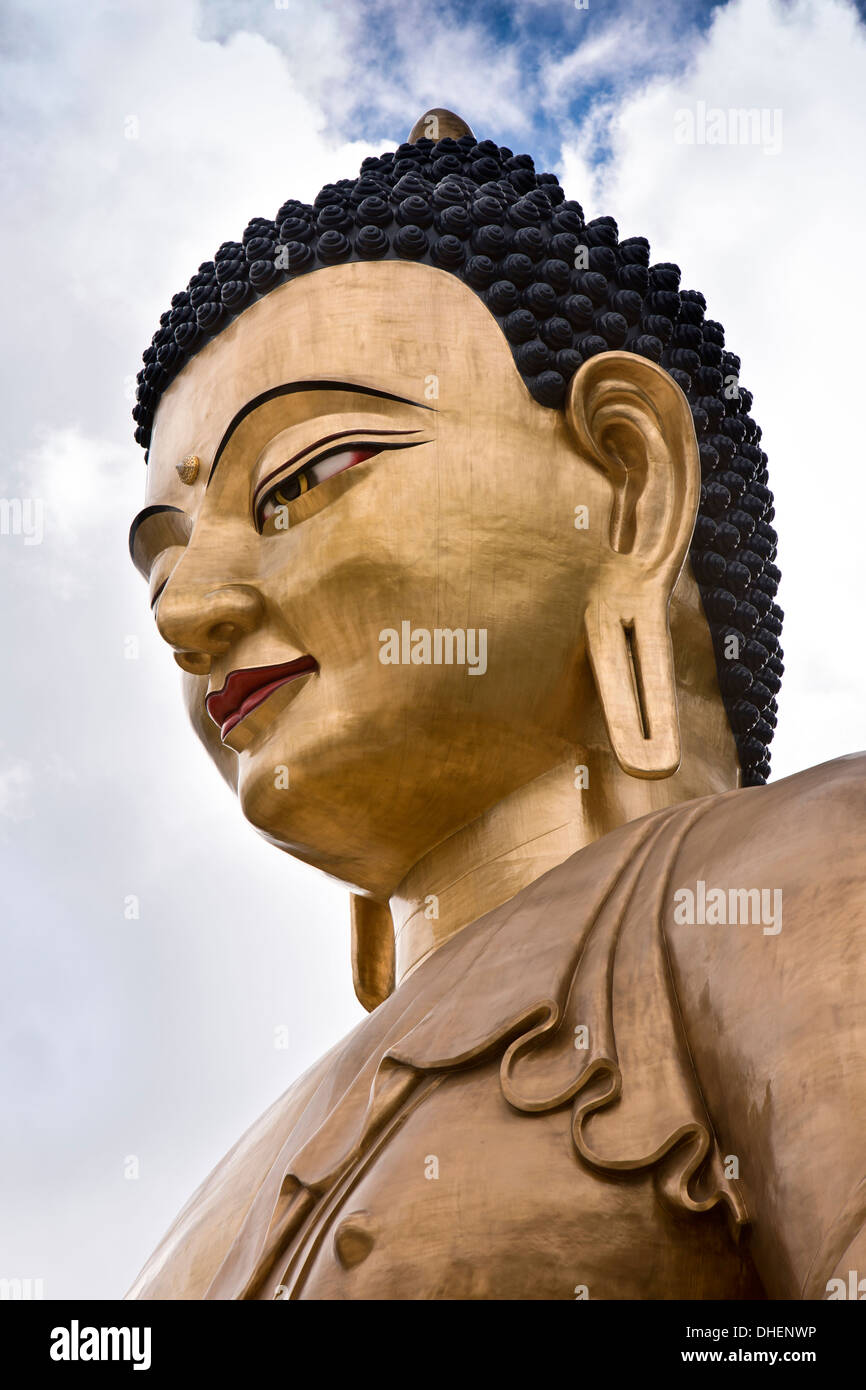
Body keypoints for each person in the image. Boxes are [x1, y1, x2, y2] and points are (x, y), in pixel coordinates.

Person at [126, 110, 865, 1300]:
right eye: (160, 562)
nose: (184, 612)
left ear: (628, 485)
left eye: (303, 478)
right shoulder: (205, 1201)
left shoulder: (806, 876)